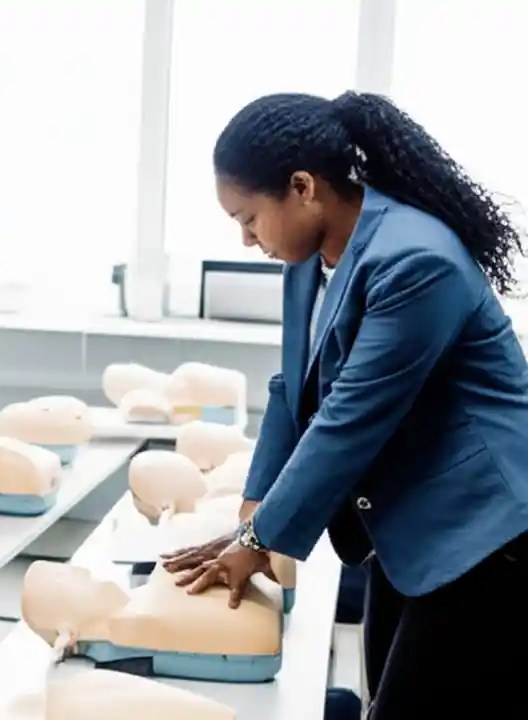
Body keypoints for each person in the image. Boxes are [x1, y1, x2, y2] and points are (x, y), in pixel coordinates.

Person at [161, 91, 528, 717]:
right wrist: (253, 510)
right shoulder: (308, 261)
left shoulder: (416, 260)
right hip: (412, 527)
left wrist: (258, 539)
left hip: (489, 534)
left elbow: (349, 421)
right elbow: (292, 391)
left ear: (303, 187)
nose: (247, 241)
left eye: (248, 219)